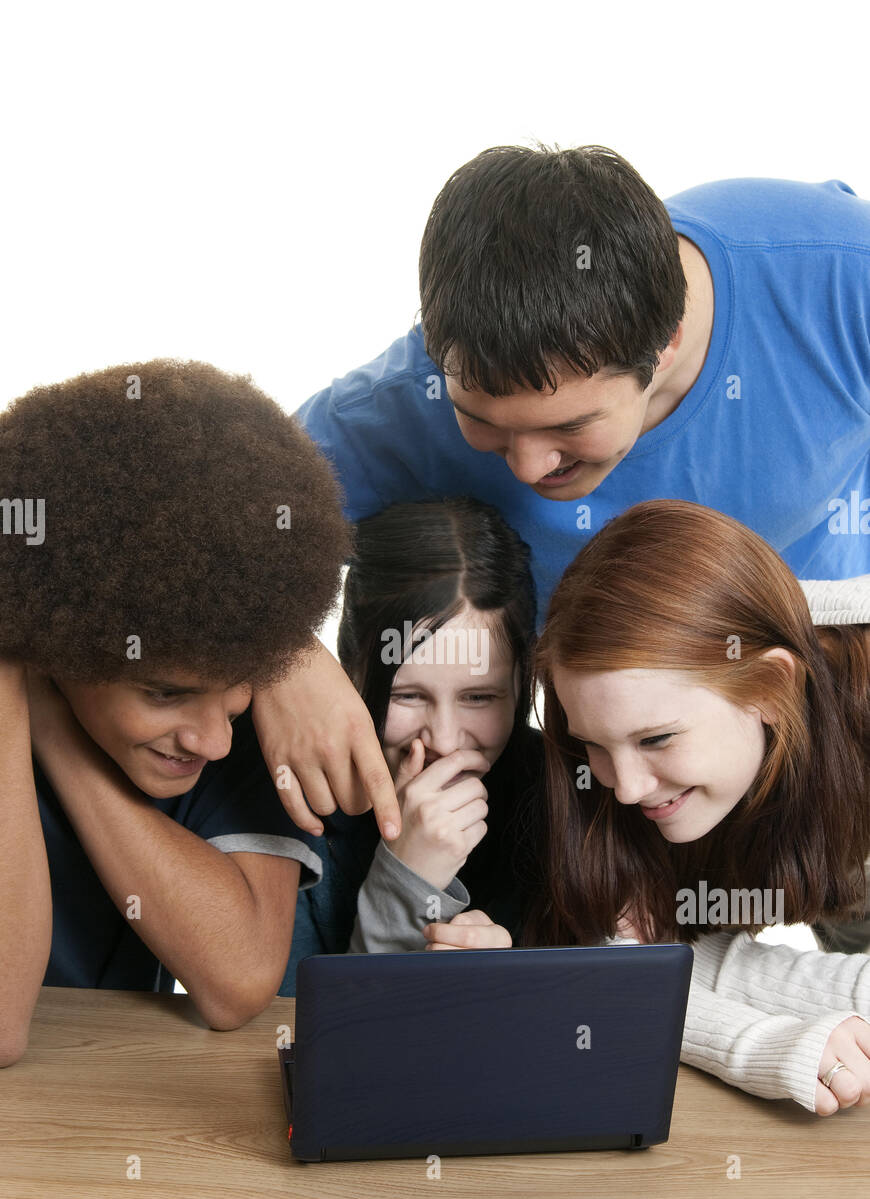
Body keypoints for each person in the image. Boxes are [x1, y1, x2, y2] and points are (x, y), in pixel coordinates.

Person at [247, 142, 870, 881]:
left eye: (569, 429)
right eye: (483, 421)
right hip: (611, 743)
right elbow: (210, 519)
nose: (526, 466)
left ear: (665, 344)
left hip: (823, 658)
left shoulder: (836, 274)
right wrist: (280, 654)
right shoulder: (396, 407)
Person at [447, 500, 870, 1115]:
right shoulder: (607, 760)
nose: (625, 788)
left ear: (772, 689)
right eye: (593, 744)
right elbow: (618, 966)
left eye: (657, 739)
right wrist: (763, 1044)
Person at [0, 359, 350, 1066]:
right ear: (57, 645)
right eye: (163, 693)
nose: (214, 740)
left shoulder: (235, 708)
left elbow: (239, 980)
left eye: (239, 686)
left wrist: (54, 727)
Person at [278, 497, 543, 993]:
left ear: (523, 680)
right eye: (408, 695)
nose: (443, 740)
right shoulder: (293, 805)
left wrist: (512, 994)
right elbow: (300, 1043)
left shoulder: (569, 794)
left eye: (479, 697)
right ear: (349, 669)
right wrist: (406, 880)